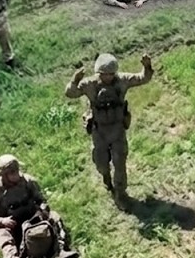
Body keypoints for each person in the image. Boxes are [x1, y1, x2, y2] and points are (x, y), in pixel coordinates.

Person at [64, 53, 154, 209]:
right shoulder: (89, 84)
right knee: (101, 162)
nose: (108, 77)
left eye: (111, 74)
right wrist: (75, 80)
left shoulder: (122, 80)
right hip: (99, 131)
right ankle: (105, 176)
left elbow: (143, 78)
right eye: (104, 74)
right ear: (98, 73)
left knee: (120, 162)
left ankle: (120, 193)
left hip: (117, 129)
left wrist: (147, 66)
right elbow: (70, 93)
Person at [0, 154, 79, 258]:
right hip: (11, 225)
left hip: (32, 218)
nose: (17, 173)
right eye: (12, 172)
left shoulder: (28, 182)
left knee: (54, 216)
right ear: (4, 175)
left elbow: (41, 200)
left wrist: (42, 209)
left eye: (16, 169)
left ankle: (61, 250)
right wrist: (2, 221)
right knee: (1, 233)